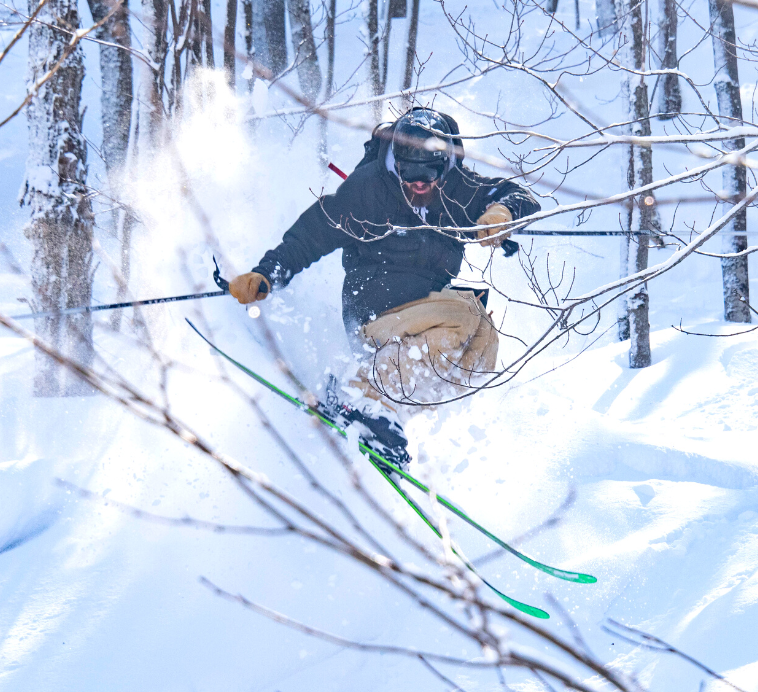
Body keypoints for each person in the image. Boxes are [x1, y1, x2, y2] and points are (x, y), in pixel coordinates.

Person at [228, 107, 540, 470]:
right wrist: (266, 273)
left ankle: (388, 417)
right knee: (466, 315)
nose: (420, 183)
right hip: (373, 310)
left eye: (431, 173)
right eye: (410, 172)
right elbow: (312, 236)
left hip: (422, 317)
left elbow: (518, 193)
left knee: (483, 344)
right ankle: (358, 394)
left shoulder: (458, 189)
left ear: (446, 164)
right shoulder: (368, 189)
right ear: (397, 162)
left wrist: (503, 211)